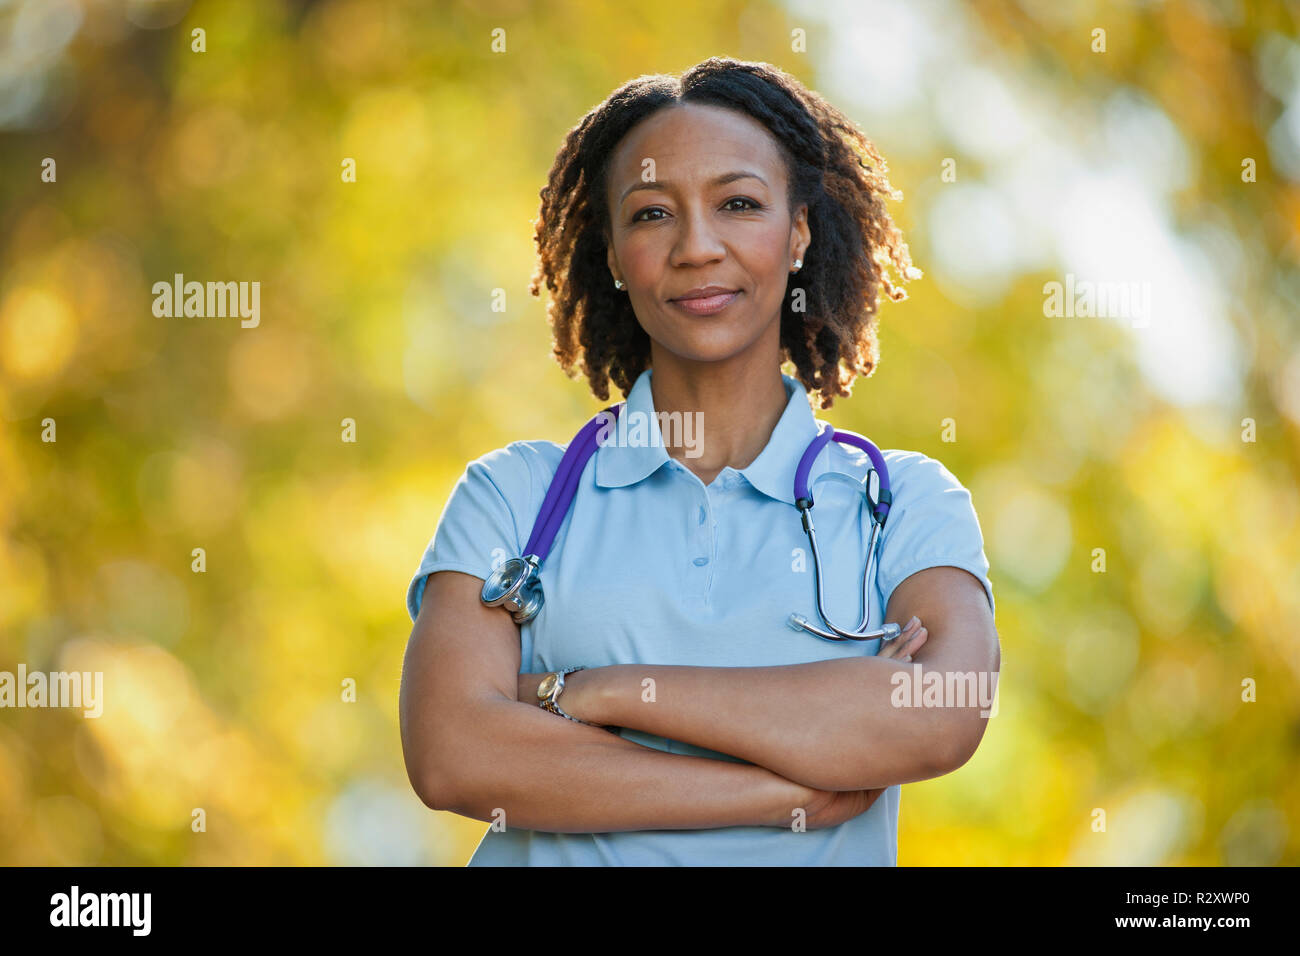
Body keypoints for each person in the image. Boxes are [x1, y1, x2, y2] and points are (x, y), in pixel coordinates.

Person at [399, 57, 999, 866]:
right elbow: (454, 756)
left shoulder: (902, 504)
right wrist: (779, 792)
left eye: (739, 204)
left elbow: (938, 709)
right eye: (651, 214)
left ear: (798, 233)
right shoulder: (514, 496)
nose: (697, 247)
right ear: (612, 253)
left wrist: (593, 693)